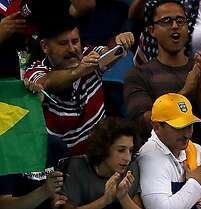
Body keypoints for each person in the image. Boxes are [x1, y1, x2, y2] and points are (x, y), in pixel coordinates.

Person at [124, 0, 201, 150]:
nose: (174, 26)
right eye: (166, 21)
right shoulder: (138, 74)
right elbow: (143, 125)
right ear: (152, 30)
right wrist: (185, 91)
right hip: (158, 158)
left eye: (180, 20)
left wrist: (200, 89)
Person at [24, 15, 133, 154]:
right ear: (45, 46)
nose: (72, 49)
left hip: (99, 152)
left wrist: (122, 42)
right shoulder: (35, 70)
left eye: (75, 41)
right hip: (60, 160)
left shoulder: (90, 55)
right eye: (63, 44)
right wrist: (79, 71)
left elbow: (109, 54)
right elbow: (47, 82)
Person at [138, 92, 201, 209]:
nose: (187, 134)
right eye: (179, 127)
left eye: (189, 125)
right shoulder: (149, 155)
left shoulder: (196, 150)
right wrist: (195, 183)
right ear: (156, 127)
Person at [59, 118, 148, 209]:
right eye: (121, 150)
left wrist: (123, 197)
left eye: (130, 150)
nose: (128, 158)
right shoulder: (78, 167)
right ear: (103, 148)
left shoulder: (131, 168)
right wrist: (105, 200)